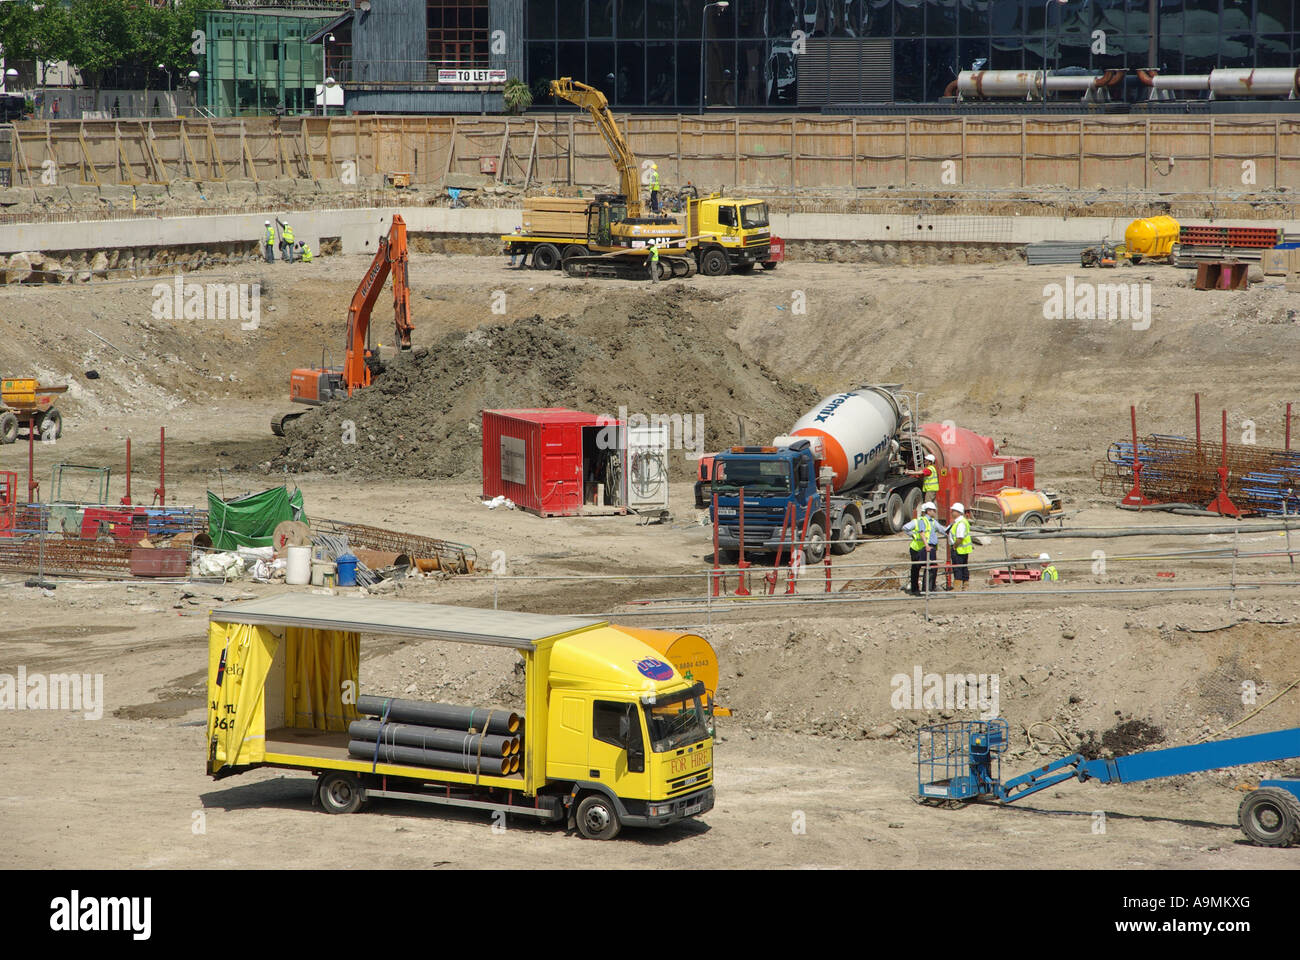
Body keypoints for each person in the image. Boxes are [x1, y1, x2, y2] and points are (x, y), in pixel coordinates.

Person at [902, 501, 946, 595]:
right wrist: (913, 535)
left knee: (924, 567)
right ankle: (924, 589)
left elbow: (943, 530)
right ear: (928, 511)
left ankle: (922, 589)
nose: (935, 512)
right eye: (933, 510)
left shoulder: (933, 522)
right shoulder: (920, 521)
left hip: (925, 548)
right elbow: (907, 528)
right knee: (921, 568)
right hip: (919, 548)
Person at [948, 501, 973, 591]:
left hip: (958, 549)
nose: (952, 512)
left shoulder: (960, 523)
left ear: (958, 512)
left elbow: (960, 537)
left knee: (957, 568)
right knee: (963, 567)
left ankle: (957, 587)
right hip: (963, 549)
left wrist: (954, 546)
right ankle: (965, 585)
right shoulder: (961, 522)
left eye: (953, 511)